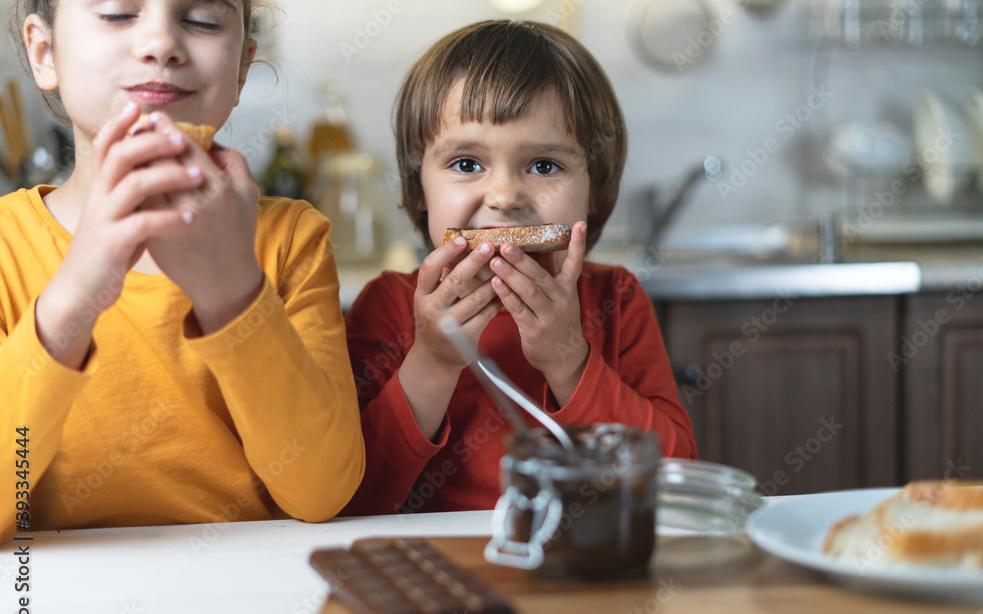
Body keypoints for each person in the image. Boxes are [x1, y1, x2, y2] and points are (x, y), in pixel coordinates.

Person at [0, 0, 364, 540]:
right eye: (119, 13)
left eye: (201, 20)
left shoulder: (291, 240)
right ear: (44, 51)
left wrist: (234, 293)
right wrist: (76, 293)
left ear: (241, 68)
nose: (161, 43)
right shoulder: (7, 246)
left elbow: (321, 492)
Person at [342, 20, 696, 516]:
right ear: (419, 190)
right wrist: (433, 361)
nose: (505, 198)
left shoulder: (617, 298)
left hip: (587, 561)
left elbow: (671, 483)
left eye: (545, 165)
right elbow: (349, 499)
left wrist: (570, 358)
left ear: (594, 190)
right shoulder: (387, 306)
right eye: (466, 163)